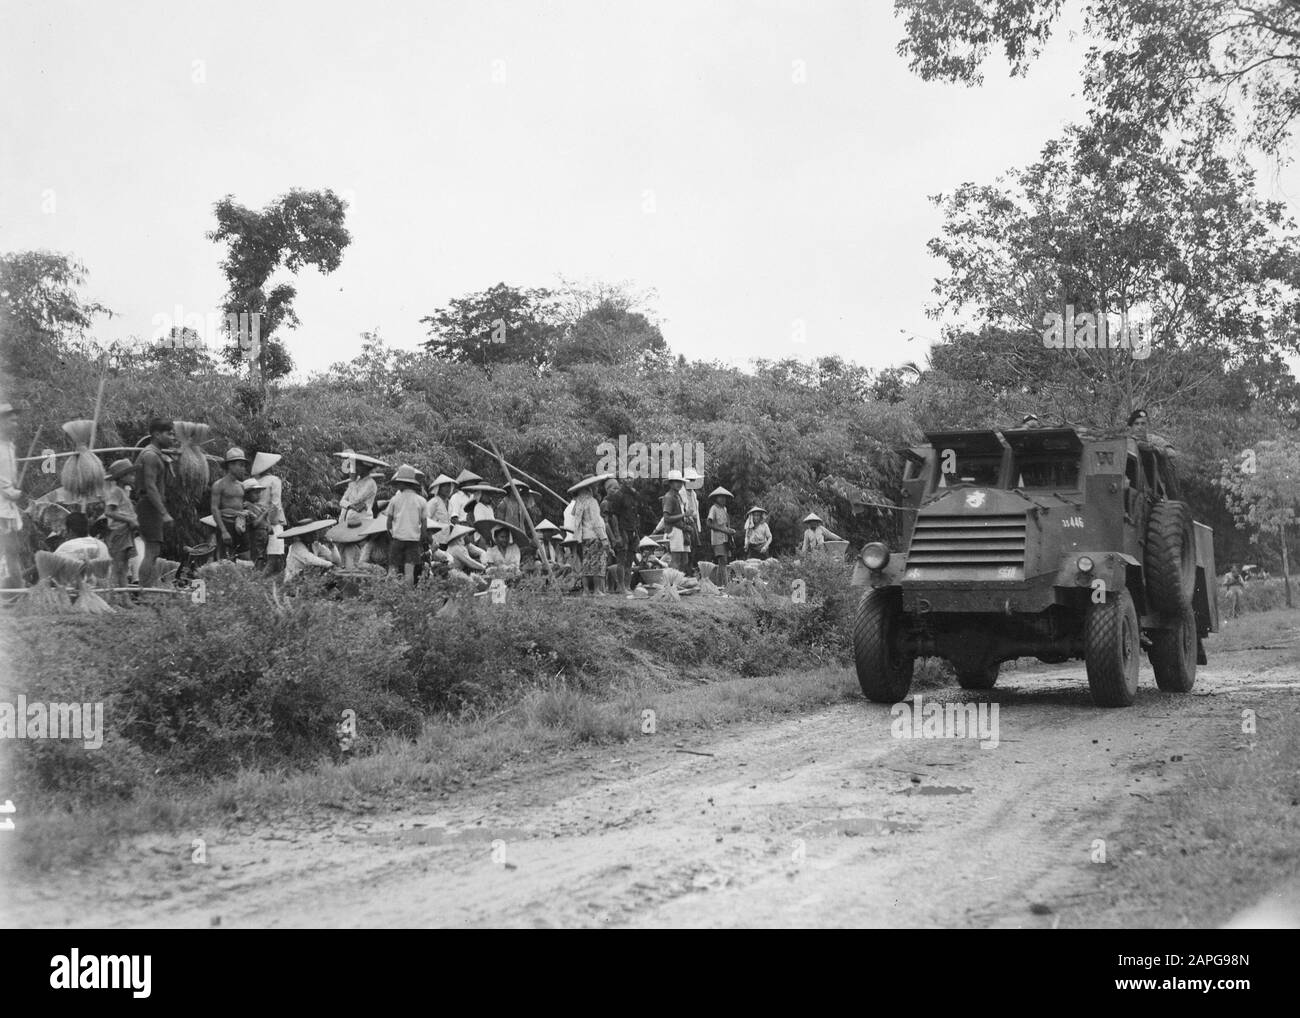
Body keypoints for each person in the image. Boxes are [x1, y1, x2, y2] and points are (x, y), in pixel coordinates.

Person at [136, 418, 175, 588]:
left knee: (154, 550)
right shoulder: (150, 455)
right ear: (157, 434)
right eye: (169, 433)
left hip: (151, 504)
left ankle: (148, 588)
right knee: (151, 550)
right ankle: (145, 590)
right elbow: (150, 487)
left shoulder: (158, 455)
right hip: (148, 504)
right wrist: (164, 513)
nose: (172, 437)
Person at [569, 474, 613, 596]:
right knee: (597, 563)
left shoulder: (579, 503)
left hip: (584, 536)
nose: (597, 489)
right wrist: (604, 538)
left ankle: (586, 590)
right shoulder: (592, 502)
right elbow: (596, 522)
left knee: (586, 563)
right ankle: (597, 590)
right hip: (594, 535)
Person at [385, 464, 427, 586]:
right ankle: (408, 597)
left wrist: (390, 535)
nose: (397, 485)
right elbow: (424, 523)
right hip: (413, 540)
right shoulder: (421, 500)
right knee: (410, 572)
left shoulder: (395, 500)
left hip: (397, 539)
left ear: (403, 483)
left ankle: (388, 593)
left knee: (392, 569)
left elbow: (389, 521)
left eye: (398, 483)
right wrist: (421, 538)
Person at [102, 458, 139, 595]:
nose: (133, 477)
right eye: (131, 475)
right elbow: (108, 512)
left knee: (123, 566)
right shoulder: (116, 491)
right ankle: (113, 596)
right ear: (123, 477)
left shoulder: (123, 492)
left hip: (126, 532)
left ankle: (124, 598)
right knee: (118, 565)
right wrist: (128, 520)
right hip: (119, 532)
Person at [0, 403, 27, 589]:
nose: (16, 424)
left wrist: (13, 489)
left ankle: (18, 591)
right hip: (2, 503)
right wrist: (8, 491)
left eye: (16, 421)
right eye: (12, 421)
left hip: (8, 506)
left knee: (13, 550)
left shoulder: (10, 446)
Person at [211, 447, 250, 561]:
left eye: (244, 465)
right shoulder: (219, 485)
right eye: (240, 465)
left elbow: (241, 505)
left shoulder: (241, 485)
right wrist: (223, 531)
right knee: (226, 559)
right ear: (230, 465)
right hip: (226, 523)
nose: (243, 468)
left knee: (245, 556)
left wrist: (246, 512)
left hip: (240, 523)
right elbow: (214, 508)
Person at [251, 452, 286, 571]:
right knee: (274, 554)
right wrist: (271, 523)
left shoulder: (254, 482)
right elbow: (275, 504)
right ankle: (270, 581)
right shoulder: (274, 480)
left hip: (257, 521)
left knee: (259, 555)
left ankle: (258, 579)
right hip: (271, 521)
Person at [660, 470, 691, 573]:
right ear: (670, 483)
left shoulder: (678, 496)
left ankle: (679, 581)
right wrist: (684, 515)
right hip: (674, 530)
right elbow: (666, 518)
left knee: (684, 560)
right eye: (676, 482)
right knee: (676, 560)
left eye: (680, 482)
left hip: (682, 529)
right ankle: (672, 583)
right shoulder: (669, 497)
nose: (679, 484)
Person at [705, 486, 735, 571]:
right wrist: (723, 530)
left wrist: (730, 530)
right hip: (717, 539)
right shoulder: (713, 508)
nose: (723, 499)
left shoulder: (724, 509)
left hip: (726, 539)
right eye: (720, 497)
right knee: (722, 560)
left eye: (724, 497)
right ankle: (723, 583)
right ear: (716, 498)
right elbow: (708, 523)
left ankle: (722, 582)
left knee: (725, 562)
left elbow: (725, 525)